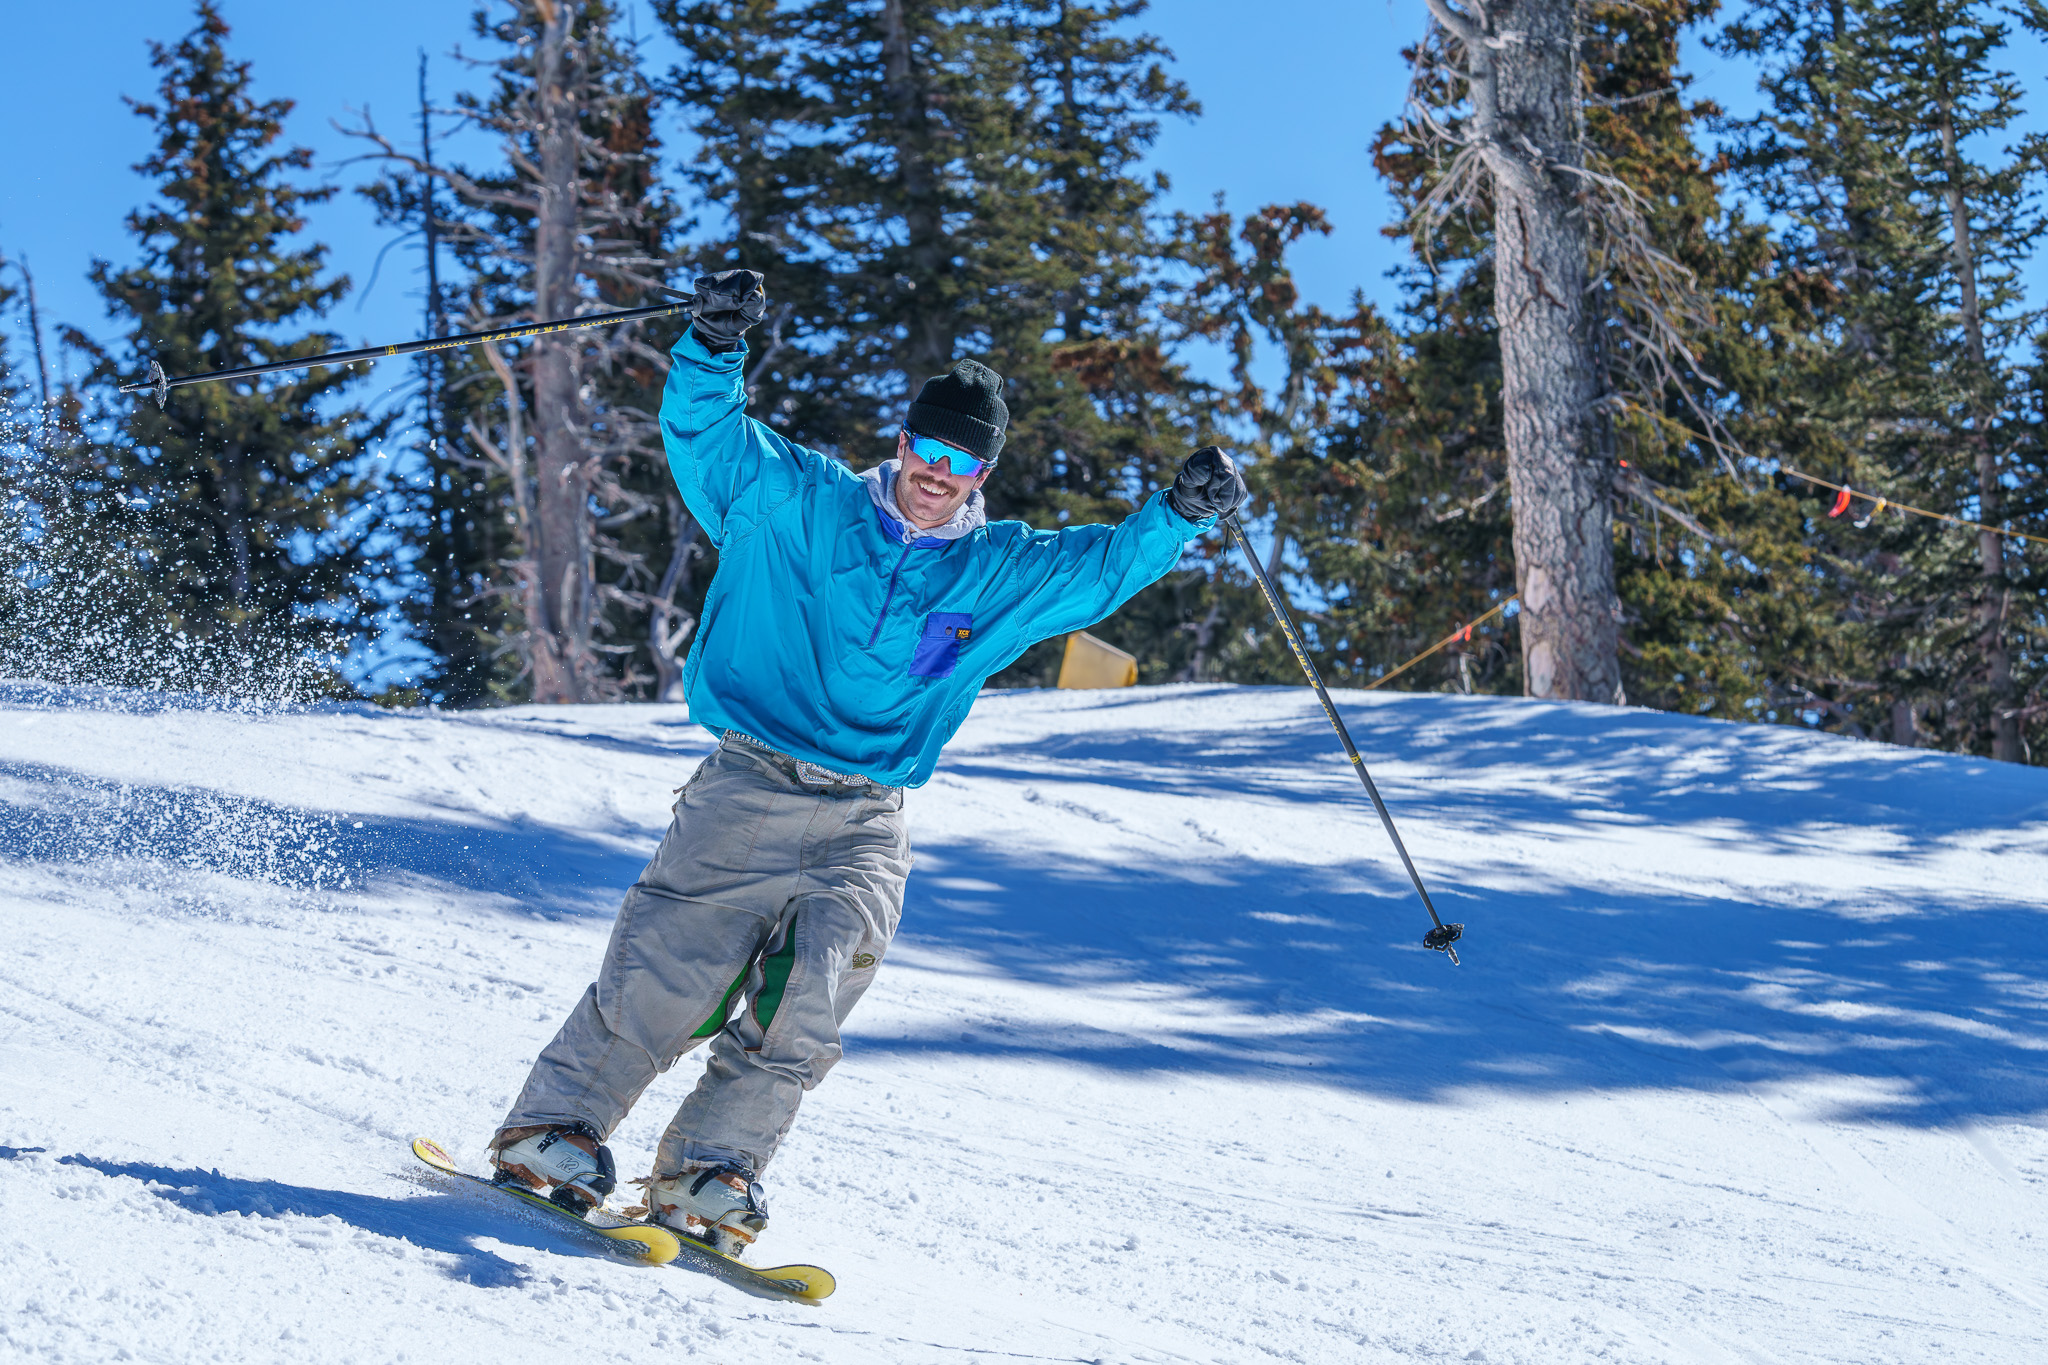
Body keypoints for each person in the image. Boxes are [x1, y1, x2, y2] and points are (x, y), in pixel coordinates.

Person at [487, 269, 1248, 1256]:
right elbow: (706, 440)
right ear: (900, 444)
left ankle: (708, 1176)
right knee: (669, 970)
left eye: (960, 461)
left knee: (815, 990)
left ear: (980, 476)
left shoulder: (997, 571)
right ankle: (555, 1134)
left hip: (868, 814)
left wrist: (1174, 516)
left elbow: (1100, 567)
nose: (937, 471)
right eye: (925, 448)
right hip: (752, 779)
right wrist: (711, 350)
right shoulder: (797, 500)